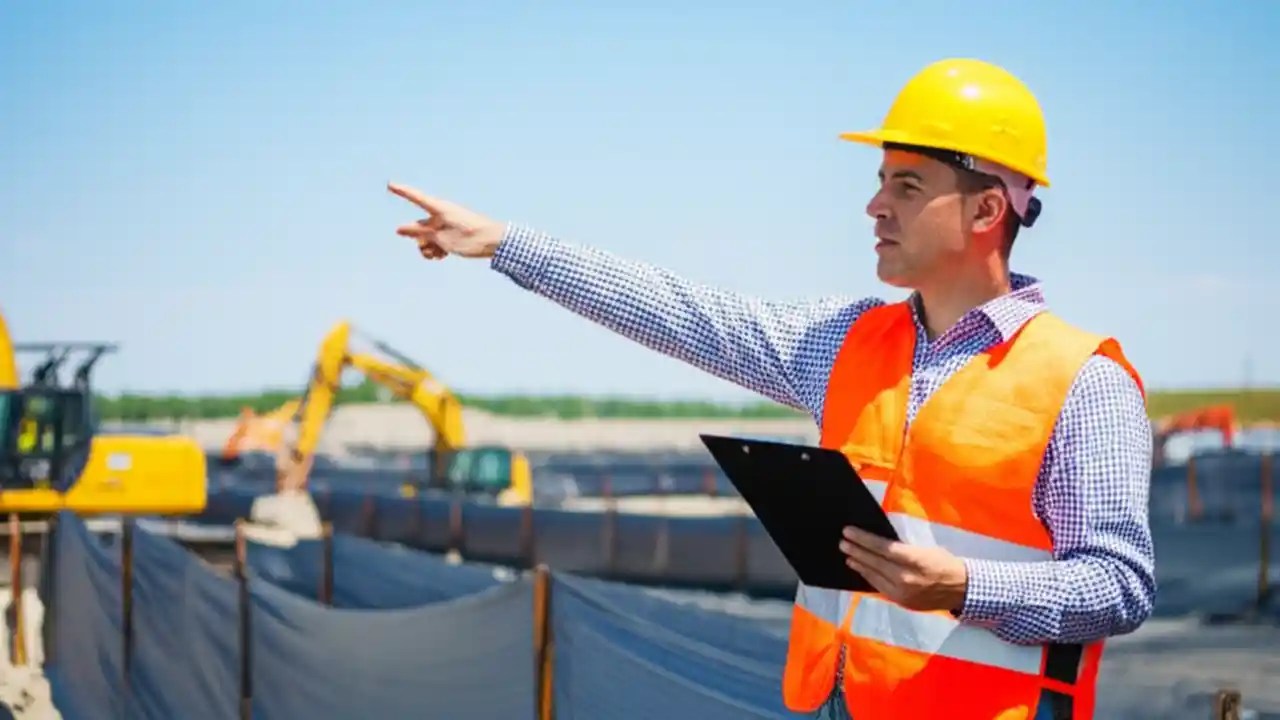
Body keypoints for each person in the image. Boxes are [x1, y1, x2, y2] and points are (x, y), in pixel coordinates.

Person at [387, 57, 1155, 720]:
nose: (874, 206)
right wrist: (506, 244)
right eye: (880, 181)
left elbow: (1120, 584)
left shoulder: (1083, 382)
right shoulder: (847, 342)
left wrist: (966, 585)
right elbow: (682, 313)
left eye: (907, 185)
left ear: (987, 209)